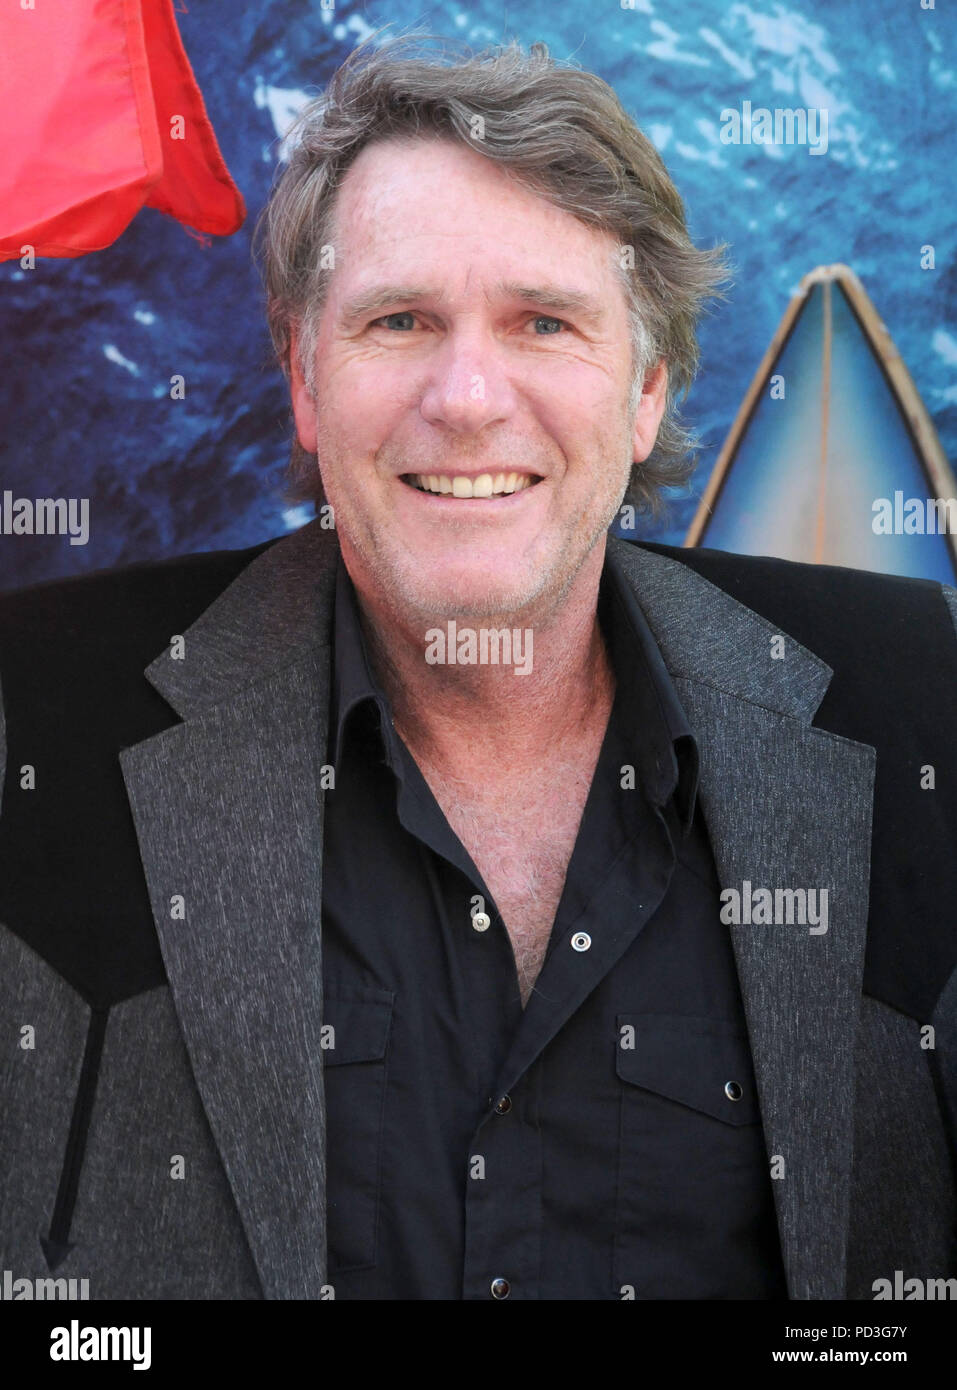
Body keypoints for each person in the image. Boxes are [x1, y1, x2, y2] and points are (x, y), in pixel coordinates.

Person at [1, 37, 955, 1303]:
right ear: (301, 378)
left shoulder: (918, 704)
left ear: (647, 393)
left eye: (544, 322)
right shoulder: (40, 726)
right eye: (399, 321)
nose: (466, 396)